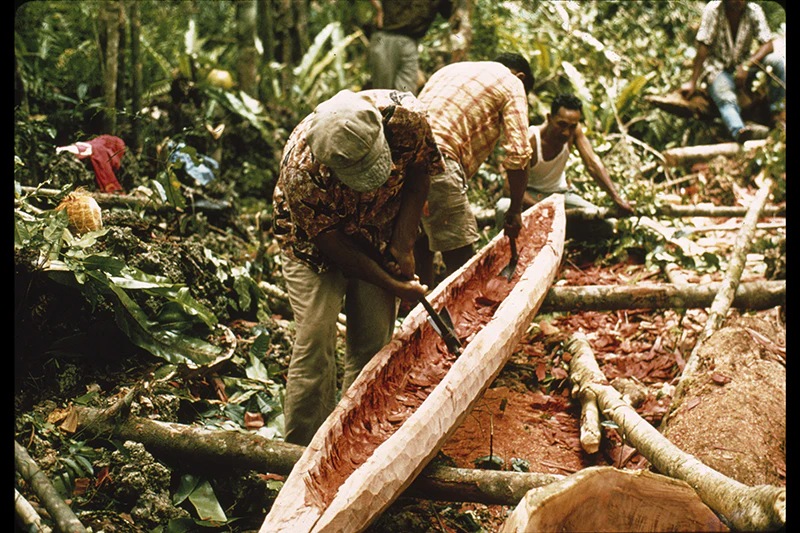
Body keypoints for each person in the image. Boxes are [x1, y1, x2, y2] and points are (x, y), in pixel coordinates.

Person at [272, 89, 445, 446]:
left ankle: (357, 440)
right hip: (313, 247)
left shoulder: (406, 119)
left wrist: (403, 243)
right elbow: (334, 247)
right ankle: (300, 450)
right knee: (315, 341)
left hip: (380, 227)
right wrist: (393, 284)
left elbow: (418, 177)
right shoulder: (301, 170)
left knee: (374, 344)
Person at [414, 52, 534, 288]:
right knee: (462, 265)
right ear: (520, 77)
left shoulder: (451, 70)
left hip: (401, 157)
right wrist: (516, 209)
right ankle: (462, 322)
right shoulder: (511, 83)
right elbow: (520, 153)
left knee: (419, 242)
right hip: (439, 159)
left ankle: (423, 317)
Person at [494, 93, 634, 239]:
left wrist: (617, 199)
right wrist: (543, 209)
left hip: (559, 195)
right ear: (549, 118)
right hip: (529, 195)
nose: (566, 132)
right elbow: (509, 189)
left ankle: (560, 232)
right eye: (561, 124)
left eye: (572, 126)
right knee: (503, 208)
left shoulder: (575, 132)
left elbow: (592, 164)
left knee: (609, 225)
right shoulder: (531, 140)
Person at [680, 0, 785, 142]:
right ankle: (740, 132)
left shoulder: (754, 10)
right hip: (717, 69)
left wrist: (747, 65)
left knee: (776, 62)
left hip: (744, 66)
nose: (739, 1)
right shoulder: (713, 9)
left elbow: (768, 45)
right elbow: (703, 46)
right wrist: (692, 82)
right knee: (726, 98)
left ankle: (777, 116)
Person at [367, 0, 455, 94]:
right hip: (387, 37)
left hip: (411, 41)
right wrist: (379, 9)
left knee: (406, 93)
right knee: (383, 91)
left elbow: (449, 12)